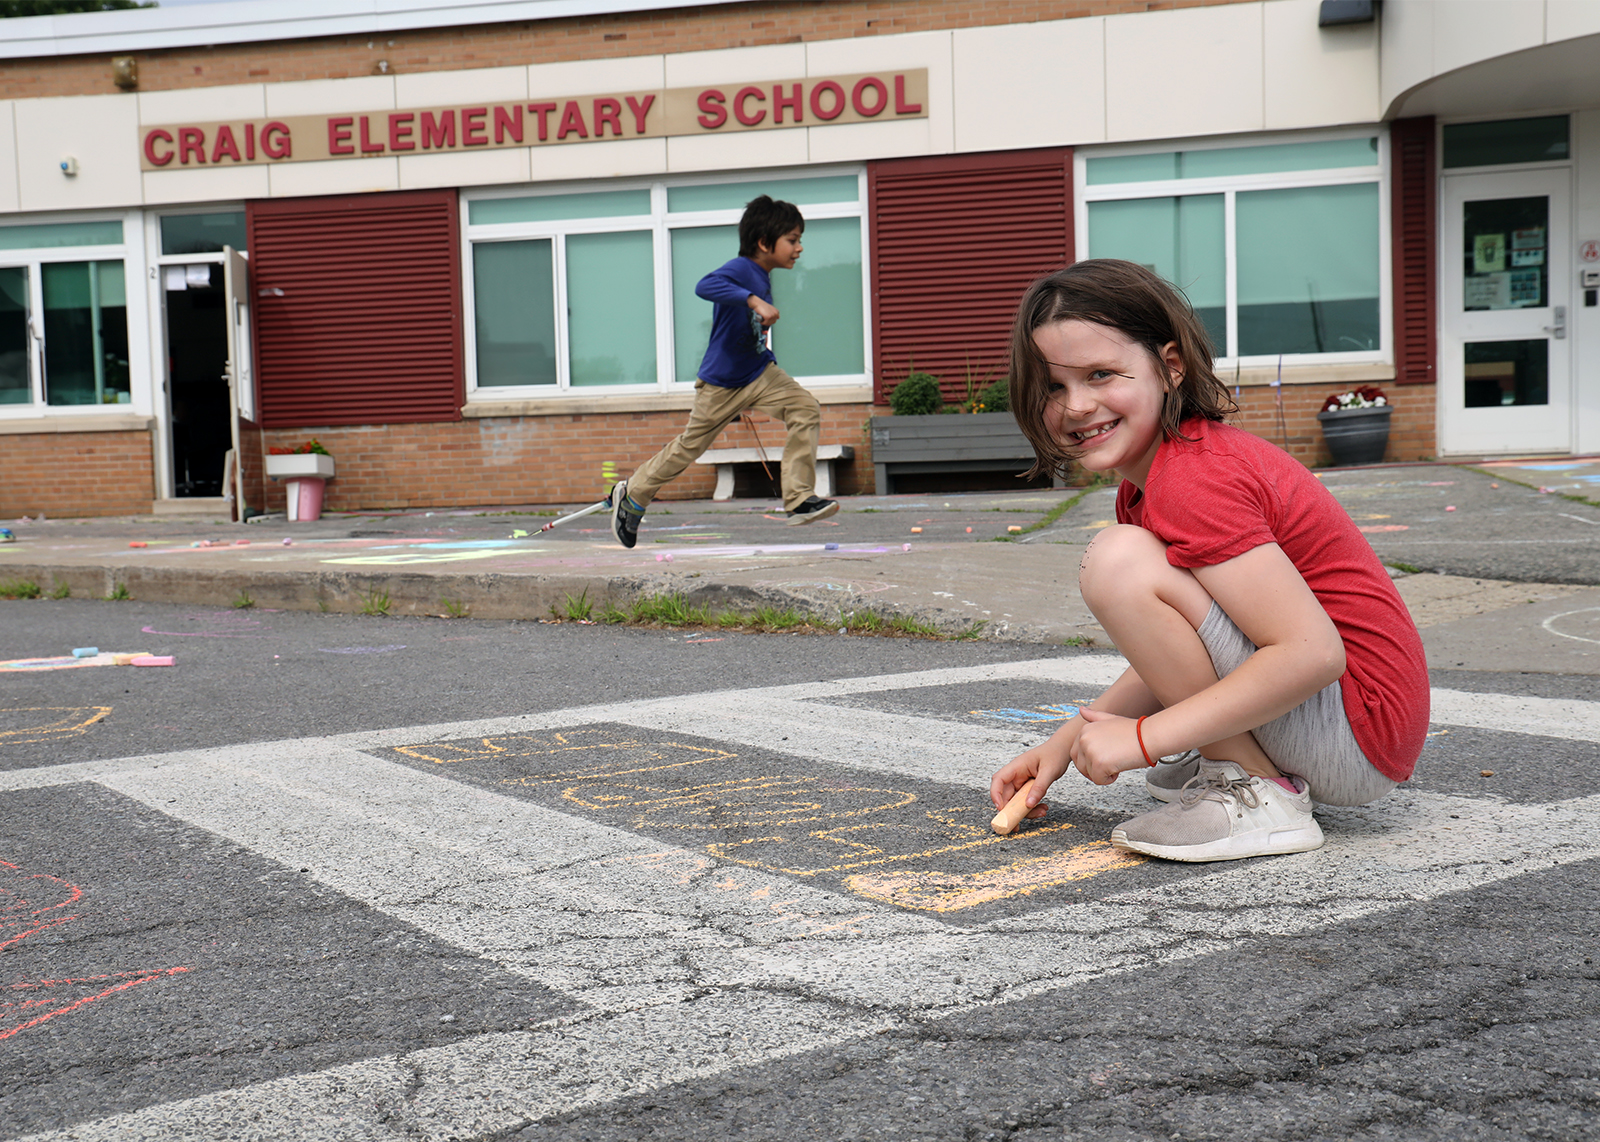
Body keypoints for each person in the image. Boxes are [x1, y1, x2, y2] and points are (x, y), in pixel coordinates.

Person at [989, 260, 1428, 862]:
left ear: (1171, 367)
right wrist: (1068, 742)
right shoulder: (1155, 477)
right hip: (1358, 724)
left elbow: (1313, 653)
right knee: (1126, 560)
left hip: (1358, 725)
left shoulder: (1194, 477)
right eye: (1054, 388)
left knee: (1117, 560)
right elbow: (1189, 642)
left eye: (1100, 374)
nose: (1076, 405)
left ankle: (1255, 791)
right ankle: (1230, 759)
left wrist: (1145, 738)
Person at [610, 195, 838, 548]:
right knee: (690, 447)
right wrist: (753, 300)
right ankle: (634, 495)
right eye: (792, 240)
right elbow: (705, 286)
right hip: (722, 383)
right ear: (764, 243)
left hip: (759, 373)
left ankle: (798, 500)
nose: (799, 248)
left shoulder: (762, 274)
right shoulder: (743, 268)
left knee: (805, 408)